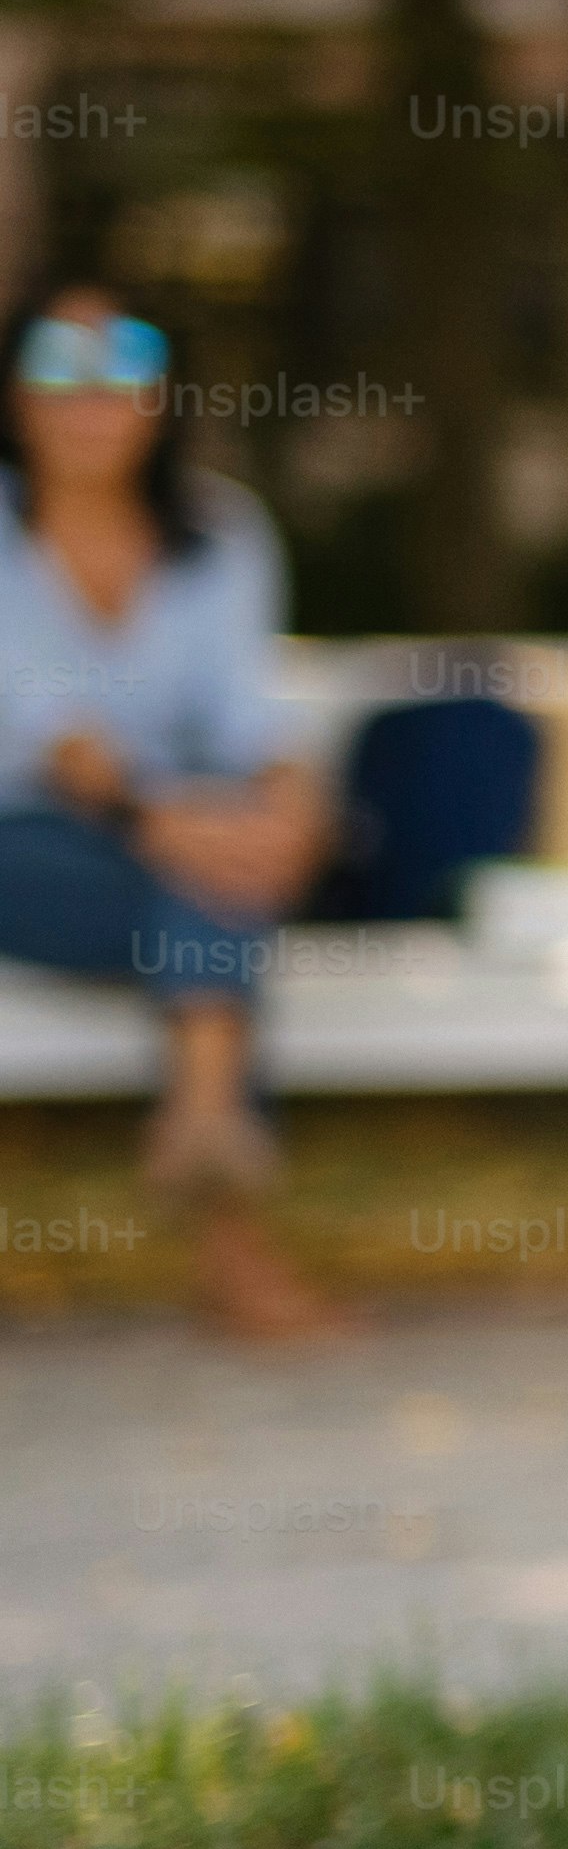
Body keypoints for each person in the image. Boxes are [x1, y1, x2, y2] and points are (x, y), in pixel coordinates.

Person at [0, 283, 340, 1338]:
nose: (91, 396)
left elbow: (248, 720)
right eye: (60, 367)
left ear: (161, 393)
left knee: (211, 883)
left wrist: (292, 810)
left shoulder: (222, 533)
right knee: (208, 884)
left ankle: (202, 1126)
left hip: (161, 849)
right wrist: (181, 824)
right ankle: (230, 1228)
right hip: (25, 847)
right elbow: (46, 736)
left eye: (124, 366)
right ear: (14, 392)